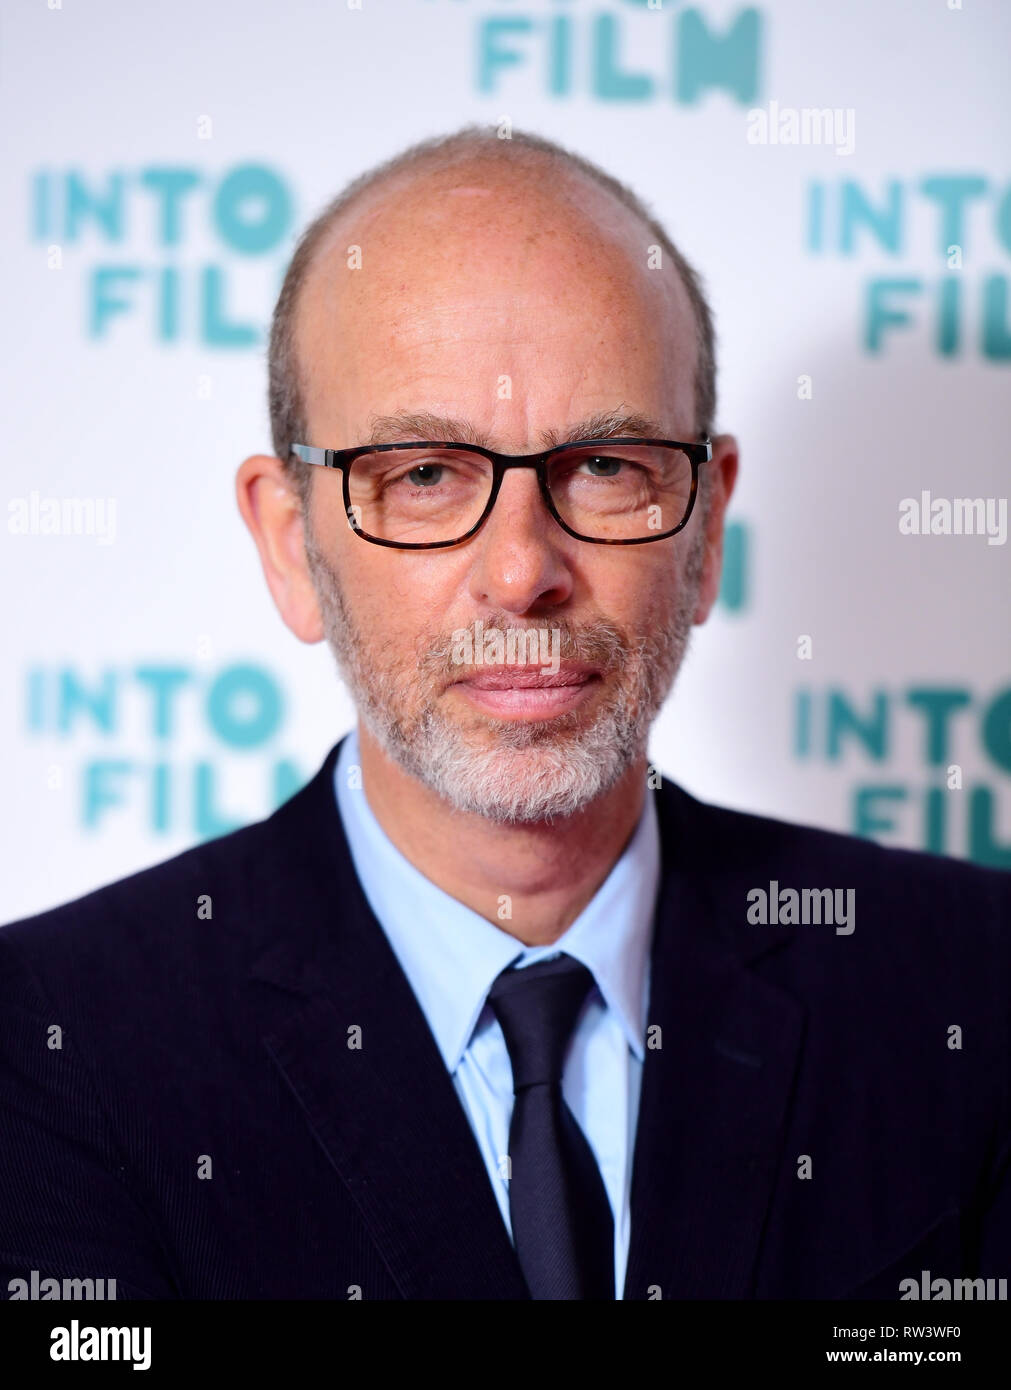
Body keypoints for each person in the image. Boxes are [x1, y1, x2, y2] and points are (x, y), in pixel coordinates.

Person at [1, 125, 1008, 1302]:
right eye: (423, 473)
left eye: (607, 467)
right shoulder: (51, 1049)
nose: (523, 569)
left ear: (708, 527)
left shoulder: (972, 991)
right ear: (290, 540)